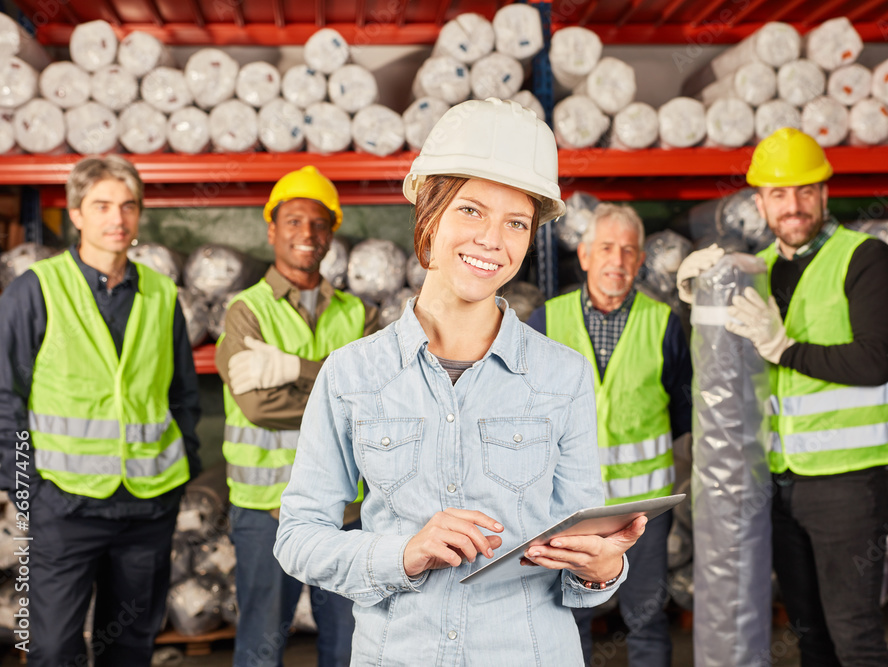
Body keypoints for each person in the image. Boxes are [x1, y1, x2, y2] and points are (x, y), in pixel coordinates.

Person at [273, 98, 646, 665]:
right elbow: (298, 537)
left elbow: (579, 552)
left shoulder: (560, 376)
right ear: (430, 214)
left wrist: (604, 568)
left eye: (516, 222)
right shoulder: (353, 374)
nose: (492, 240)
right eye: (471, 211)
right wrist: (404, 553)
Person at [677, 127, 888, 666]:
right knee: (810, 634)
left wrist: (784, 348)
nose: (794, 205)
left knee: (854, 633)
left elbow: (877, 361)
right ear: (759, 202)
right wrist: (694, 298)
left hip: (848, 482)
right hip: (780, 482)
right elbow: (725, 360)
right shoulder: (757, 269)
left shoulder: (868, 259)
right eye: (779, 194)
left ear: (825, 194)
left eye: (806, 191)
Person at [0, 156, 201, 666]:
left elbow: (183, 394)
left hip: (147, 505)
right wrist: (26, 490)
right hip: (64, 506)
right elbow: (6, 397)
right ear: (76, 214)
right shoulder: (35, 289)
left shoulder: (160, 294)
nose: (118, 218)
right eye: (103, 205)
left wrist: (182, 473)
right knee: (52, 648)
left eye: (128, 206)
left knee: (129, 646)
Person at [216, 166, 378, 667]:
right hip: (267, 509)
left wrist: (291, 369)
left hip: (347, 512)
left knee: (350, 646)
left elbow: (377, 405)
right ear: (272, 230)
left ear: (331, 234)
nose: (306, 234)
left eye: (318, 223)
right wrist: (337, 388)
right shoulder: (246, 312)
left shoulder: (358, 313)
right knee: (261, 646)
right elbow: (257, 407)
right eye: (293, 221)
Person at [527, 203, 692, 667]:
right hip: (569, 507)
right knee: (568, 618)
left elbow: (683, 411)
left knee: (645, 617)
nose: (616, 261)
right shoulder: (545, 322)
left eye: (627, 251)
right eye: (605, 248)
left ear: (640, 261)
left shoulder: (663, 324)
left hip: (644, 508)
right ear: (583, 255)